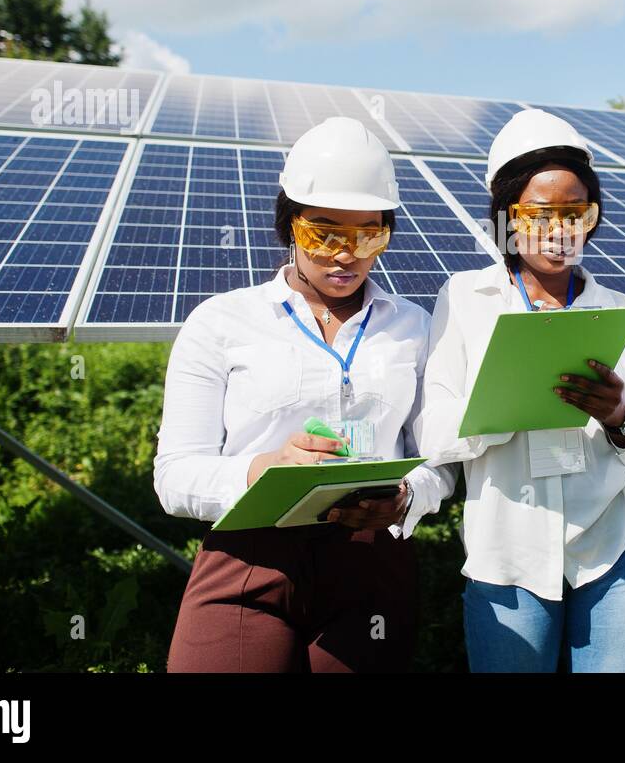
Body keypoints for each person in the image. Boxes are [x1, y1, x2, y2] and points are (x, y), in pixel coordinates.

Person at [156, 117, 453, 673]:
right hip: (250, 552)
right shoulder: (221, 322)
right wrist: (261, 470)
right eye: (325, 233)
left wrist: (408, 498)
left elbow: (438, 460)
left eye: (369, 233)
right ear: (290, 224)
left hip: (372, 559)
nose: (347, 254)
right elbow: (173, 478)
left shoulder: (416, 326)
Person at [417, 109, 625, 673]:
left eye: (576, 213)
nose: (560, 230)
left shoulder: (618, 311)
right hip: (509, 552)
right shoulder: (465, 300)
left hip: (612, 541)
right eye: (538, 213)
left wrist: (619, 417)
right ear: (506, 213)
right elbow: (432, 435)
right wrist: (504, 405)